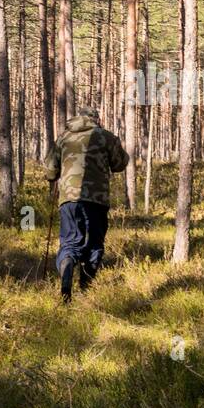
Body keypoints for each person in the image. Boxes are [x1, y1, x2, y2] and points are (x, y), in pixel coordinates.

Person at [43, 110, 128, 302]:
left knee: (70, 242)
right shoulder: (106, 137)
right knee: (95, 243)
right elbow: (119, 164)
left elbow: (49, 170)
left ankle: (66, 268)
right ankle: (85, 287)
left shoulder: (64, 137)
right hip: (97, 200)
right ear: (96, 119)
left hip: (69, 201)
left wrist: (57, 174)